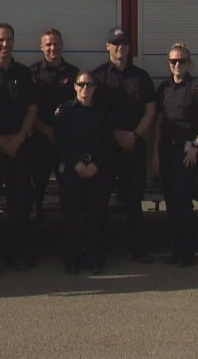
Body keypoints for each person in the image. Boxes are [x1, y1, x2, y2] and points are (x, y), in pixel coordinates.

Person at [91, 26, 157, 264]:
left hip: (133, 147)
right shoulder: (97, 77)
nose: (120, 48)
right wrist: (116, 135)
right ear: (107, 46)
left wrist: (135, 135)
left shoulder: (141, 77)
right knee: (99, 201)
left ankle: (138, 250)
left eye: (124, 44)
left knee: (133, 201)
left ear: (130, 47)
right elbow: (92, 113)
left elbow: (150, 110)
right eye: (115, 43)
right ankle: (98, 253)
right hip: (106, 149)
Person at [152, 43, 198, 267]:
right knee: (171, 203)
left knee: (183, 203)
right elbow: (159, 123)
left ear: (189, 63)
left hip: (186, 152)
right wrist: (155, 153)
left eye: (181, 61)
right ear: (168, 64)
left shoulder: (197, 88)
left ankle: (188, 252)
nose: (177, 65)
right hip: (166, 151)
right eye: (173, 61)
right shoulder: (164, 89)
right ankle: (177, 250)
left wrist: (196, 144)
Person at [0, 23, 39, 270]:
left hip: (20, 147)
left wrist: (18, 139)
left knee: (20, 203)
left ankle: (17, 253)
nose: (5, 45)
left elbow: (32, 109)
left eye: (9, 40)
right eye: (0, 40)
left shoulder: (24, 74)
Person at [52, 71, 115, 274]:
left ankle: (94, 258)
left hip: (96, 170)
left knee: (95, 216)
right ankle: (72, 260)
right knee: (72, 217)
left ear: (95, 88)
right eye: (82, 85)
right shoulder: (65, 111)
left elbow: (108, 143)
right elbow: (60, 141)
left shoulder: (103, 113)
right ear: (75, 87)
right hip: (72, 170)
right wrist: (76, 164)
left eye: (90, 85)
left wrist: (96, 164)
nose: (85, 89)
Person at [29, 28, 79, 243]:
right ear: (41, 47)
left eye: (56, 43)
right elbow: (29, 109)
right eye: (48, 44)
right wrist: (46, 130)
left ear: (62, 45)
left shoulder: (73, 73)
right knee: (34, 195)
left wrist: (59, 134)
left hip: (64, 145)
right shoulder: (31, 73)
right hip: (39, 141)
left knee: (69, 195)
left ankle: (71, 245)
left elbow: (77, 110)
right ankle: (32, 245)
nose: (52, 48)